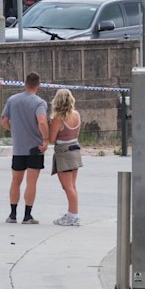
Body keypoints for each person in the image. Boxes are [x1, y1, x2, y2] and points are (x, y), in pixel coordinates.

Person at [1, 72, 49, 224]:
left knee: (16, 180)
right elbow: (42, 121)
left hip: (18, 148)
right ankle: (27, 216)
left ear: (25, 83)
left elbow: (4, 121)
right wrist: (46, 139)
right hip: (35, 148)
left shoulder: (12, 100)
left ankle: (12, 214)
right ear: (38, 85)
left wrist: (14, 130)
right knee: (31, 182)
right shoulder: (39, 103)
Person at [48, 88, 84, 227]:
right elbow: (76, 134)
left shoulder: (58, 118)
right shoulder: (76, 114)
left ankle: (74, 215)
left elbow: (52, 139)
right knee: (72, 186)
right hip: (75, 149)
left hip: (64, 152)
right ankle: (71, 213)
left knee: (67, 186)